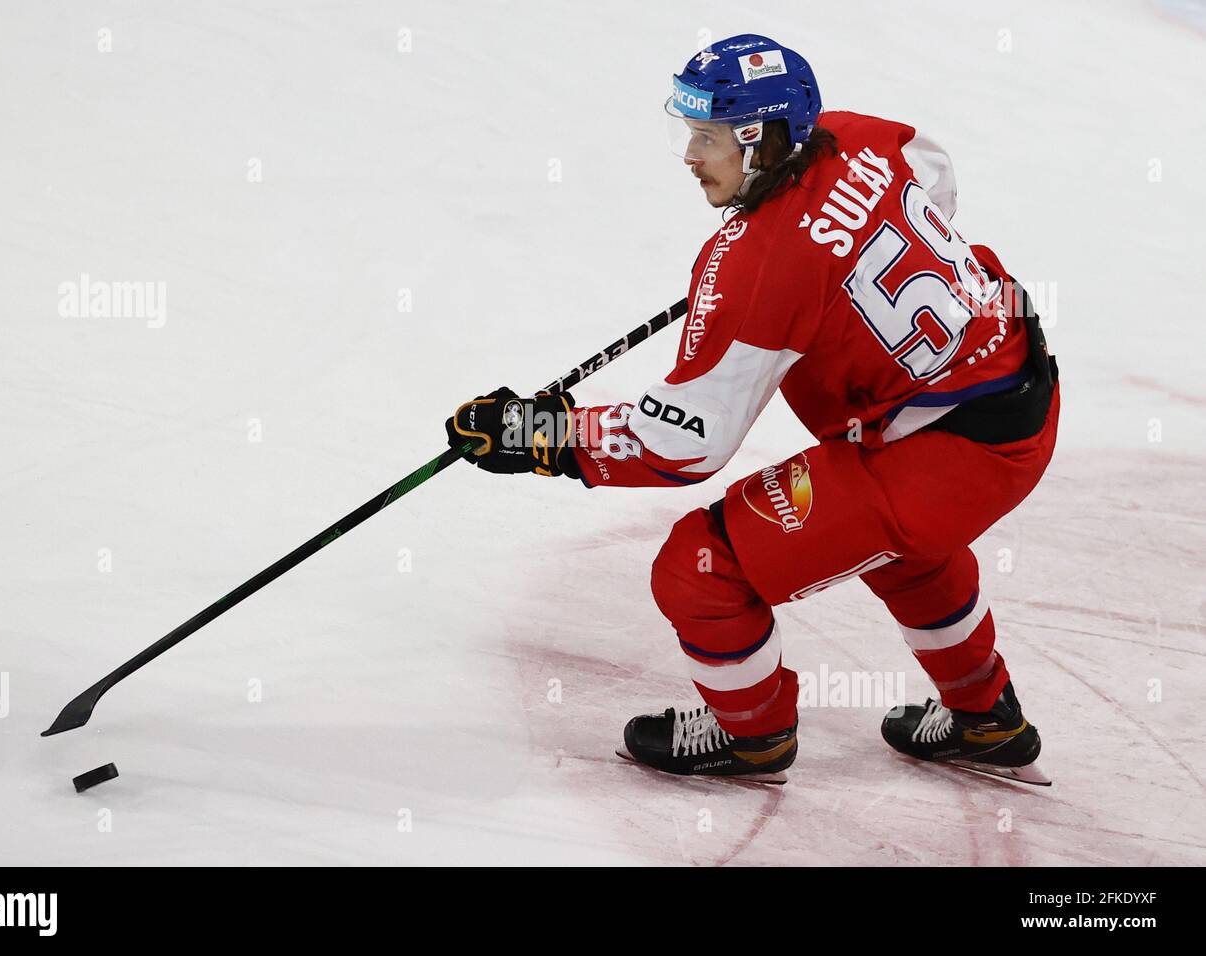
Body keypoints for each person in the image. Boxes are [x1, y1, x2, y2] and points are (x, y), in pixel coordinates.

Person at [445, 33, 1059, 785]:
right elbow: (936, 182)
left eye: (705, 138)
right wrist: (832, 254)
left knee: (701, 569)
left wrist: (541, 435)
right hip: (1018, 379)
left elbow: (685, 444)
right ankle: (985, 716)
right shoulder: (864, 134)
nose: (689, 156)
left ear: (760, 142)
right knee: (906, 551)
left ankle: (753, 737)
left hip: (946, 453)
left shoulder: (754, 269)